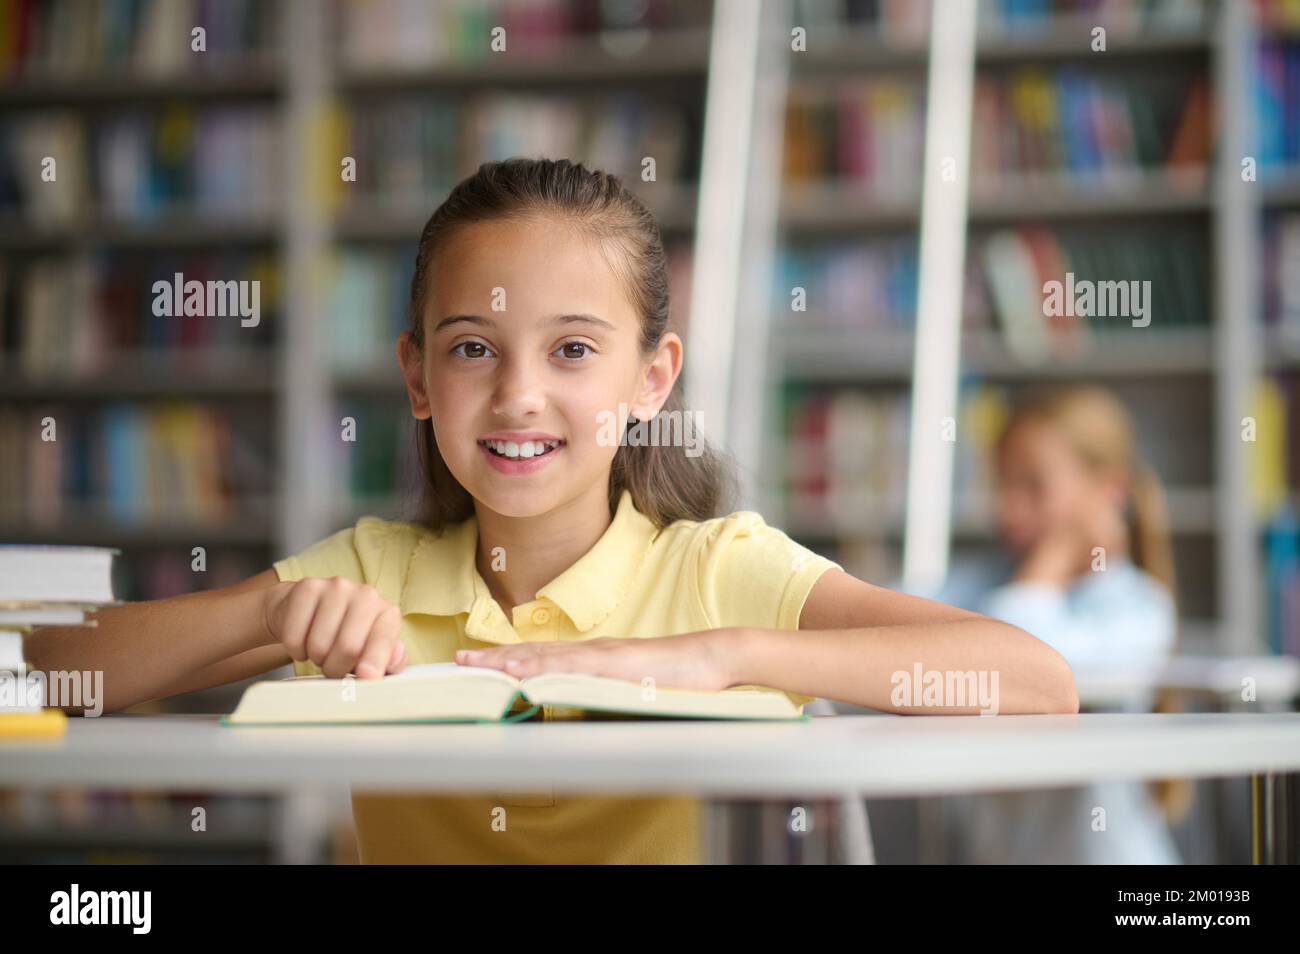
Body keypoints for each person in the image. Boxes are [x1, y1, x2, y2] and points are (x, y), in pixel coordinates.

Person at [28, 158, 1077, 863]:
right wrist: (265, 619)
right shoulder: (372, 570)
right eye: (473, 349)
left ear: (652, 378)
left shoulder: (714, 569)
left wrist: (723, 656)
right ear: (417, 377)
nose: (520, 394)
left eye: (573, 350)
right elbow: (36, 671)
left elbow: (1035, 683)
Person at [904, 384, 1185, 864]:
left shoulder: (1139, 609)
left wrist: (1054, 559)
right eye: (1002, 485)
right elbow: (882, 624)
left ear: (1108, 494)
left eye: (1033, 485)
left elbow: (1009, 662)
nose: (1008, 509)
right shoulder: (984, 583)